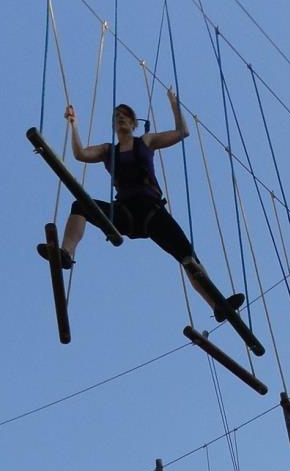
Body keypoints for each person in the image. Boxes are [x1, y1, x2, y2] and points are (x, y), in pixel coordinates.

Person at [38, 90, 242, 312]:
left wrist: (174, 104)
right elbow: (80, 155)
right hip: (125, 212)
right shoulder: (108, 150)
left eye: (125, 115)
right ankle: (66, 255)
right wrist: (73, 125)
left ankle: (217, 304)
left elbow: (183, 132)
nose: (121, 118)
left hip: (152, 212)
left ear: (134, 122)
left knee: (188, 257)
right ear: (114, 125)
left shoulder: (146, 141)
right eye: (117, 116)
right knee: (80, 205)